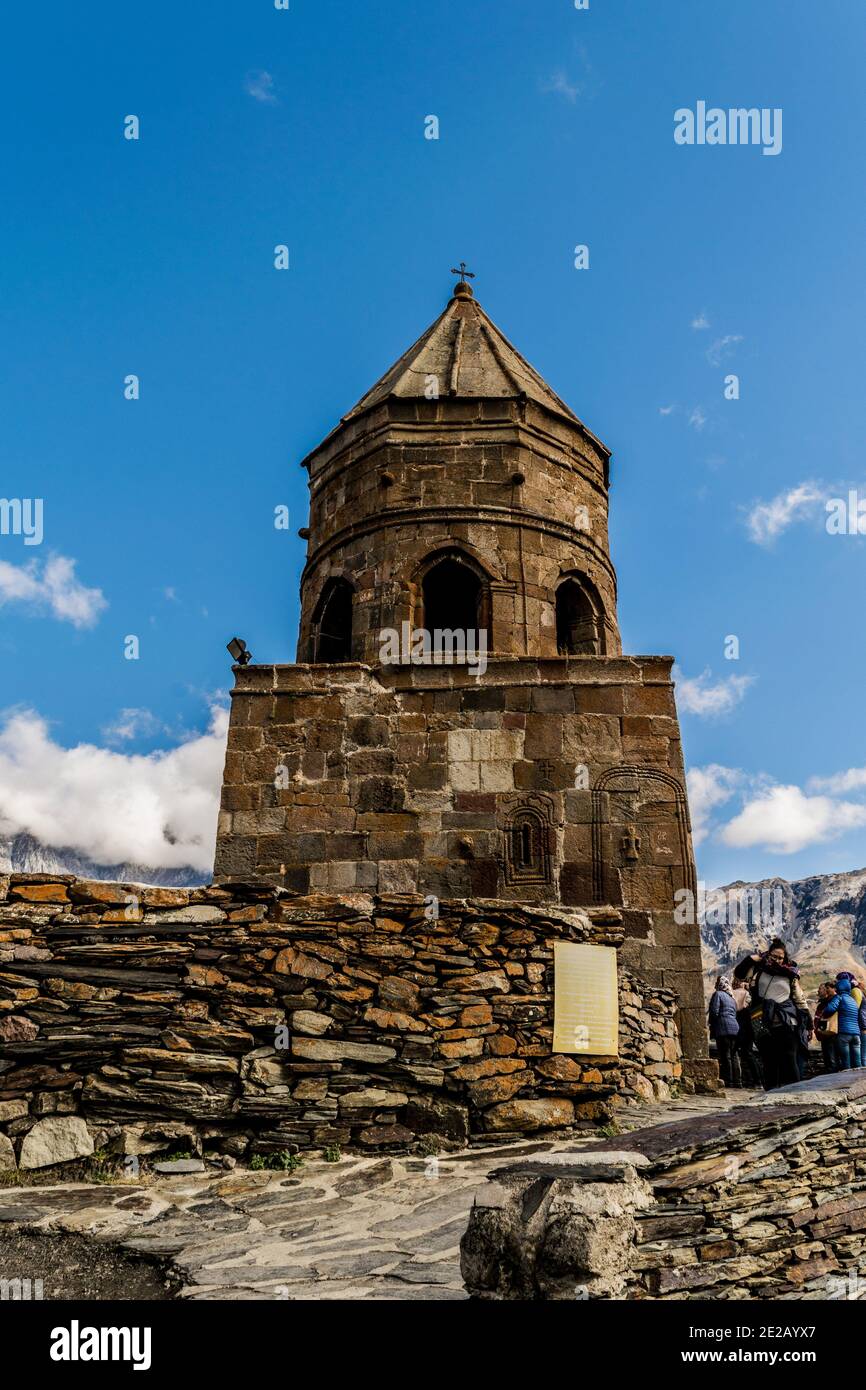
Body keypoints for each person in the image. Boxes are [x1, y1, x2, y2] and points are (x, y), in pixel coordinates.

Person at [733, 938, 809, 1090]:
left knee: (789, 1058)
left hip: (786, 1021)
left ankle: (796, 1094)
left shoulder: (790, 974)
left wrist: (809, 1024)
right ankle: (771, 1095)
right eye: (774, 956)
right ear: (768, 955)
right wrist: (751, 959)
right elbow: (739, 974)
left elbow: (799, 998)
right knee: (768, 1061)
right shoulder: (758, 970)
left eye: (780, 958)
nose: (777, 960)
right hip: (763, 1023)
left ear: (785, 958)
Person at [822, 973, 862, 1070]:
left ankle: (846, 1083)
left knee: (846, 1062)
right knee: (857, 1063)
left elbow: (829, 1010)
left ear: (839, 987)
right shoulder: (852, 1000)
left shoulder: (839, 997)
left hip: (844, 1033)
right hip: (856, 1034)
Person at [708, 975, 741, 1087]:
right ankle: (738, 1081)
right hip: (735, 1028)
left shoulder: (718, 994)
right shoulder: (732, 998)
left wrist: (712, 1024)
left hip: (723, 1028)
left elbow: (714, 1011)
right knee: (734, 1055)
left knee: (725, 1055)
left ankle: (728, 1081)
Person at [732, 977, 762, 1087]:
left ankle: (737, 1081)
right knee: (748, 1054)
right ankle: (757, 1080)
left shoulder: (735, 993)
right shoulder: (748, 994)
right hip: (748, 1028)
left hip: (740, 1026)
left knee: (737, 1054)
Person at [814, 982, 839, 1073]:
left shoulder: (831, 1002)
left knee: (830, 1058)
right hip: (824, 1033)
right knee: (827, 1057)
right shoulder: (824, 1003)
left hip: (829, 1033)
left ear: (826, 990)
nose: (818, 991)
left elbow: (826, 1016)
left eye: (820, 989)